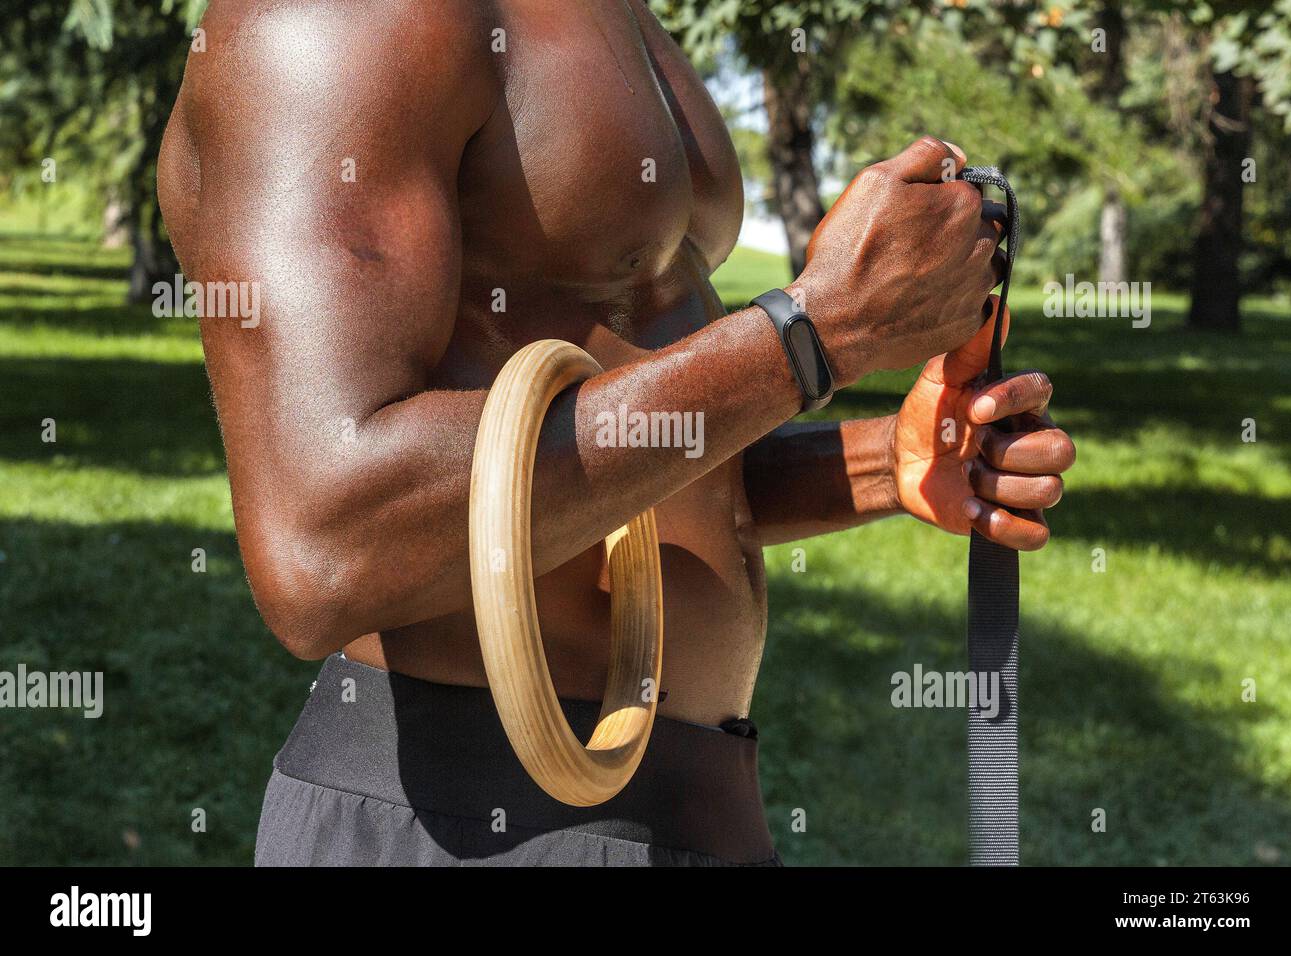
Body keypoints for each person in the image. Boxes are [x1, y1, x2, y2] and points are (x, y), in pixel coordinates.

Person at [157, 0, 1076, 866]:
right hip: (469, 822)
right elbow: (327, 541)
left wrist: (883, 465)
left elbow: (644, 463)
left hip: (691, 808)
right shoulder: (345, 19)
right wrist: (813, 334)